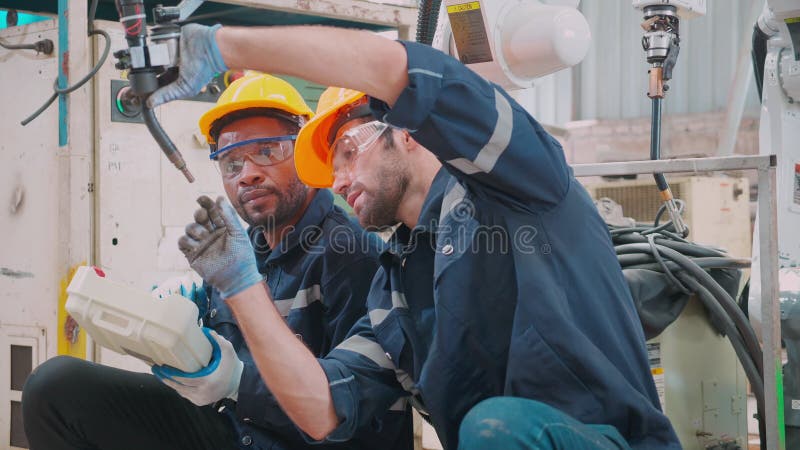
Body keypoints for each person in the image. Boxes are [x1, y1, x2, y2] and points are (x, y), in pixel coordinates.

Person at [149, 24, 682, 450]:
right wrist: (241, 285)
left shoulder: (517, 187)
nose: (336, 182)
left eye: (348, 151)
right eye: (330, 168)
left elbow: (411, 76)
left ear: (406, 130)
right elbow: (321, 409)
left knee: (495, 427)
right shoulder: (393, 293)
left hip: (609, 441)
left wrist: (221, 44)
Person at [22, 72, 411, 450]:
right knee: (56, 391)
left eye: (267, 151)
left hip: (284, 439)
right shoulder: (244, 250)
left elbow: (356, 418)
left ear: (305, 150)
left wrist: (239, 382)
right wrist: (173, 322)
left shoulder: (348, 253)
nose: (247, 175)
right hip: (232, 425)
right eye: (231, 162)